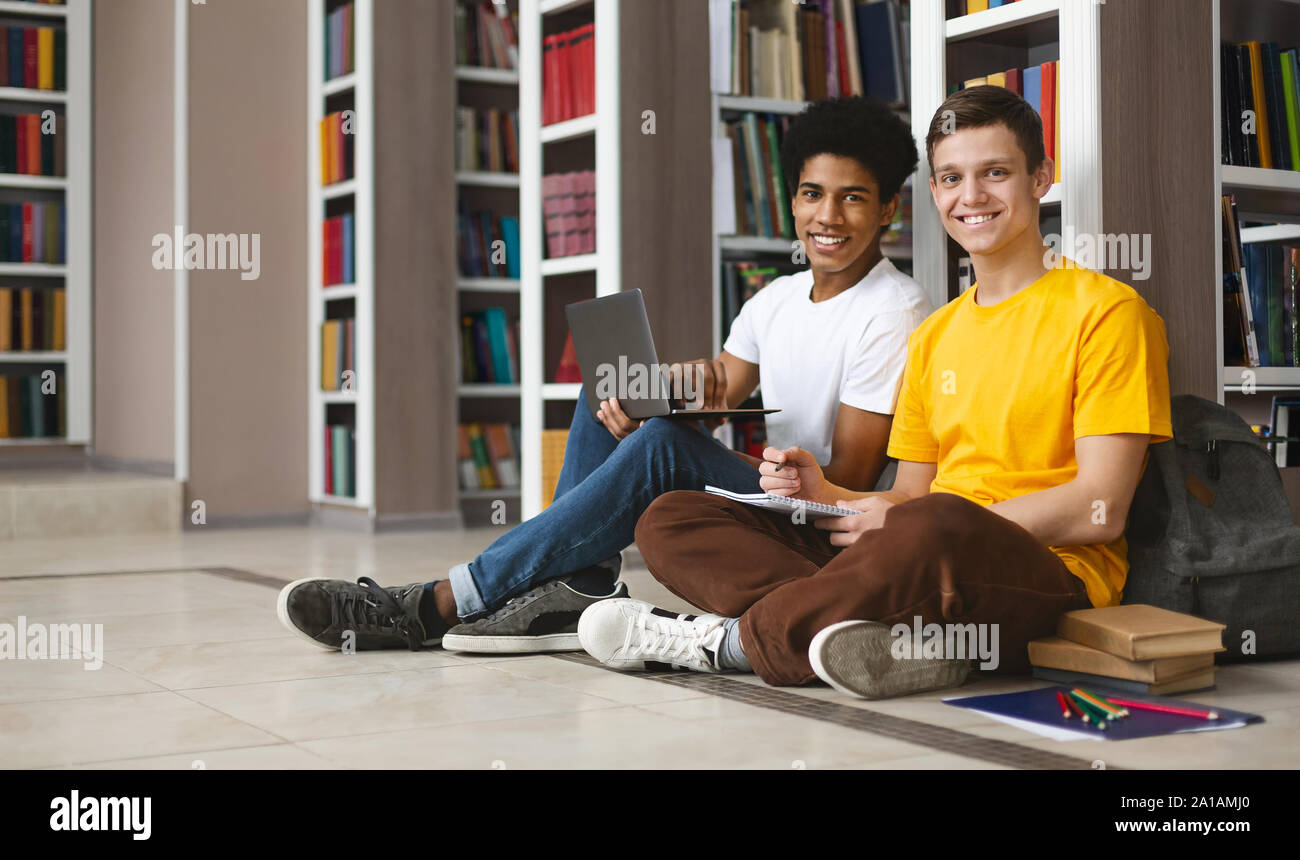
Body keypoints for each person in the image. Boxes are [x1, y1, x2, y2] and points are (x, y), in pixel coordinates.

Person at [277, 96, 933, 654]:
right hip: (768, 491)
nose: (828, 217)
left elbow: (841, 481)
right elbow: (723, 386)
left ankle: (439, 603)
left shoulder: (892, 311)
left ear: (887, 211)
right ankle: (577, 583)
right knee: (609, 387)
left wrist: (666, 425)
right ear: (793, 200)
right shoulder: (777, 299)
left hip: (822, 524)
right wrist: (647, 388)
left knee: (664, 445)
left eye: (853, 199)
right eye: (813, 194)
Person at [580, 85, 1173, 700]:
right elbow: (911, 491)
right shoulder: (937, 334)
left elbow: (1100, 507)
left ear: (1040, 178)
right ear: (936, 192)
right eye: (951, 178)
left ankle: (730, 643)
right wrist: (827, 492)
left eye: (994, 173)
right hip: (917, 553)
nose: (971, 197)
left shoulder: (1106, 312)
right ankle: (881, 636)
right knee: (673, 516)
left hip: (1045, 571)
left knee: (937, 521)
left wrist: (929, 523)